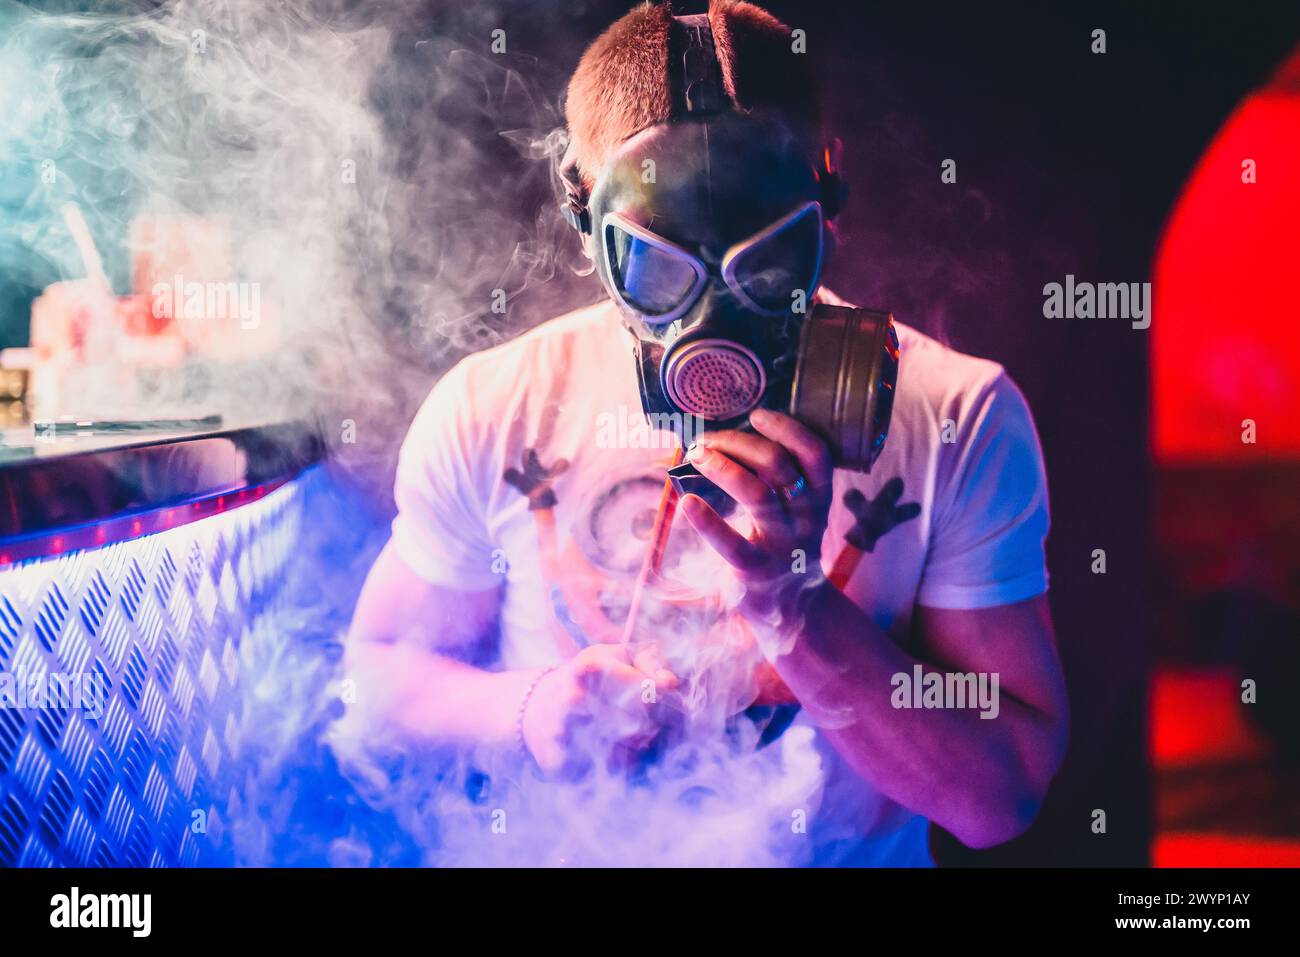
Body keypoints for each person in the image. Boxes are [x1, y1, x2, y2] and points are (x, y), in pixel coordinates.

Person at [342, 0, 1068, 867]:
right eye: (662, 263)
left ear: (827, 191)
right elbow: (377, 677)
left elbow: (1000, 796)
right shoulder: (498, 408)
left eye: (765, 257)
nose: (716, 318)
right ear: (584, 210)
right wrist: (528, 710)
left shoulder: (954, 417)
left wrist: (799, 613)